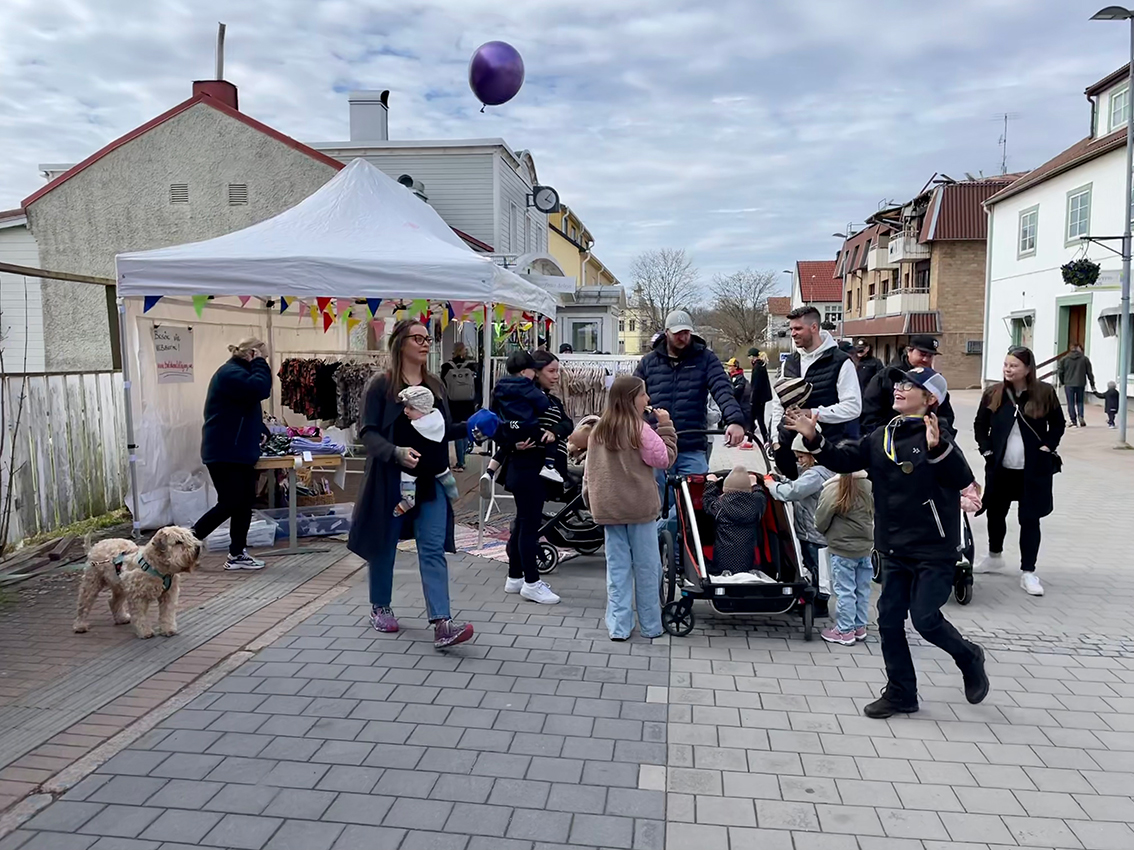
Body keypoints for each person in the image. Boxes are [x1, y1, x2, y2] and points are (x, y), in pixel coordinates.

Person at [785, 365, 988, 719]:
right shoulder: (882, 435)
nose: (899, 388)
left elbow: (960, 478)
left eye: (910, 385)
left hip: (933, 549)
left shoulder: (939, 437)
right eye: (899, 382)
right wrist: (814, 438)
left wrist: (938, 448)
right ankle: (901, 693)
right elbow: (846, 461)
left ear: (930, 400)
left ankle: (968, 655)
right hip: (893, 548)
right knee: (890, 621)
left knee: (924, 619)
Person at [347, 320, 474, 649]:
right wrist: (395, 452)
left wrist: (473, 427)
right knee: (384, 545)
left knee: (432, 549)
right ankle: (380, 606)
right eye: (417, 338)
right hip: (390, 483)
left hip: (430, 483)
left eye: (426, 338)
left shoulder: (435, 384)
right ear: (400, 343)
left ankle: (442, 623)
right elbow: (368, 432)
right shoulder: (381, 385)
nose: (424, 343)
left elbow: (441, 429)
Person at [583, 376, 676, 640]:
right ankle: (650, 625)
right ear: (631, 399)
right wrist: (666, 427)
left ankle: (619, 626)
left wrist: (592, 500)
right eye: (643, 395)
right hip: (639, 510)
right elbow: (664, 459)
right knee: (647, 567)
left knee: (617, 569)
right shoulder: (640, 429)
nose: (647, 400)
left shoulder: (599, 429)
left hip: (610, 510)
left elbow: (590, 472)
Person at [974, 346, 1065, 597]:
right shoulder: (994, 393)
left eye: (1013, 365)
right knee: (995, 512)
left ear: (1027, 369)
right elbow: (980, 424)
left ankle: (1028, 571)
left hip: (1032, 470)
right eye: (1005, 364)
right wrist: (987, 451)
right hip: (1001, 467)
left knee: (1029, 518)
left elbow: (1058, 423)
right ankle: (994, 556)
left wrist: (1049, 446)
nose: (1007, 369)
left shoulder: (1044, 393)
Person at [634, 310, 746, 514]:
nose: (682, 337)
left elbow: (722, 388)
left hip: (692, 444)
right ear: (666, 332)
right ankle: (660, 541)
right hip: (656, 446)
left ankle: (673, 538)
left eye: (686, 332)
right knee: (655, 505)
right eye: (677, 333)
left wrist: (735, 420)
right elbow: (631, 396)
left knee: (692, 505)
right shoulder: (649, 362)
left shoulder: (706, 359)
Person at [192, 337, 273, 572]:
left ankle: (237, 553)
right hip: (224, 451)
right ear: (251, 355)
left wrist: (260, 429)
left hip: (237, 450)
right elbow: (260, 389)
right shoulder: (230, 374)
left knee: (243, 503)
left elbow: (245, 406)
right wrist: (260, 364)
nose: (266, 363)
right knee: (230, 502)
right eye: (264, 357)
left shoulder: (238, 375)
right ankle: (187, 540)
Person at [499, 351, 569, 605]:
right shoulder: (519, 399)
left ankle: (515, 576)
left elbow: (568, 424)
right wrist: (513, 443)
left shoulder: (550, 400)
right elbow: (502, 427)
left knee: (523, 522)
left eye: (557, 371)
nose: (556, 376)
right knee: (529, 526)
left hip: (538, 470)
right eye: (551, 371)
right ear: (535, 372)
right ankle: (532, 582)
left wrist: (555, 431)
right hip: (527, 469)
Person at [769, 306, 862, 480]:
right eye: (791, 329)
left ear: (814, 328)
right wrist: (775, 441)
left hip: (824, 454)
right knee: (792, 504)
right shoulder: (789, 362)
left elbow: (853, 407)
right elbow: (777, 404)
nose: (793, 334)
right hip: (787, 453)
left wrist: (812, 413)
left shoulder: (840, 362)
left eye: (798, 329)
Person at [765, 436, 835, 616]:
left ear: (812, 455)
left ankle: (819, 604)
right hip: (818, 532)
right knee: (819, 568)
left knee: (818, 569)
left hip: (813, 532)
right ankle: (816, 600)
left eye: (801, 457)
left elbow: (793, 492)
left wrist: (772, 486)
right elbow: (797, 486)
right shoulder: (825, 470)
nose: (799, 461)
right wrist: (782, 480)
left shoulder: (815, 474)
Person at [815, 470, 874, 645]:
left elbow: (821, 519)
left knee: (845, 590)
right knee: (862, 589)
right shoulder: (869, 484)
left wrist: (824, 531)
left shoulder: (834, 487)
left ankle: (844, 631)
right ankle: (859, 626)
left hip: (842, 547)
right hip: (866, 545)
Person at [490, 350, 563, 484]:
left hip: (509, 426)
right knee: (550, 440)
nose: (556, 376)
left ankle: (490, 471)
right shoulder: (529, 388)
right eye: (551, 371)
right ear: (524, 372)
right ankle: (549, 466)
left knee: (505, 447)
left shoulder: (499, 388)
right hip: (528, 429)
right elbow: (542, 404)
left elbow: (494, 414)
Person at [861, 335, 956, 437]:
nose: (925, 359)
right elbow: (870, 413)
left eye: (930, 356)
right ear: (909, 351)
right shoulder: (888, 376)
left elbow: (945, 416)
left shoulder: (933, 381)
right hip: (890, 440)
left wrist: (939, 436)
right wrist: (882, 439)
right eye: (922, 354)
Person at [392, 387, 459, 517]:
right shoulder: (436, 422)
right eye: (406, 407)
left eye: (411, 408)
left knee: (449, 483)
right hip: (420, 468)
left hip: (423, 468)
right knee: (408, 485)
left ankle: (452, 498)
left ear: (423, 409)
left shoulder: (434, 423)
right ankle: (408, 502)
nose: (406, 411)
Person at [702, 466, 767, 578]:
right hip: (747, 562)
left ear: (725, 490)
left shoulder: (721, 506)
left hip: (722, 562)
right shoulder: (756, 505)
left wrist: (710, 484)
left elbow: (707, 501)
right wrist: (754, 485)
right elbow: (761, 496)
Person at [440, 343, 479, 471]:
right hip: (468, 402)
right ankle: (464, 456)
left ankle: (460, 462)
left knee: (456, 428)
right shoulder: (471, 366)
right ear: (464, 352)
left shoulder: (446, 367)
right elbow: (477, 384)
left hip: (453, 402)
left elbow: (442, 385)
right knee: (466, 427)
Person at [1057, 343, 1096, 427]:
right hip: (1080, 383)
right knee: (1080, 401)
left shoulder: (1064, 359)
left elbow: (1060, 372)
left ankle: (1073, 420)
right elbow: (1089, 373)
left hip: (1069, 384)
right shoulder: (1084, 359)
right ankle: (1081, 416)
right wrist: (1092, 384)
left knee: (1070, 403)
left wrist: (1062, 381)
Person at [748, 347, 773, 443]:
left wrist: (752, 399)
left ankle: (766, 440)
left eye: (749, 356)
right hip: (761, 398)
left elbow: (756, 385)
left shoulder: (757, 367)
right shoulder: (760, 365)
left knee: (760, 419)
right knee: (751, 419)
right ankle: (750, 440)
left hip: (757, 399)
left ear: (753, 357)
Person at [725, 358, 753, 436]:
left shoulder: (739, 377)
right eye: (728, 366)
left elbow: (739, 388)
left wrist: (732, 392)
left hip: (740, 400)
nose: (729, 368)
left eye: (731, 366)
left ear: (735, 367)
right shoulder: (729, 376)